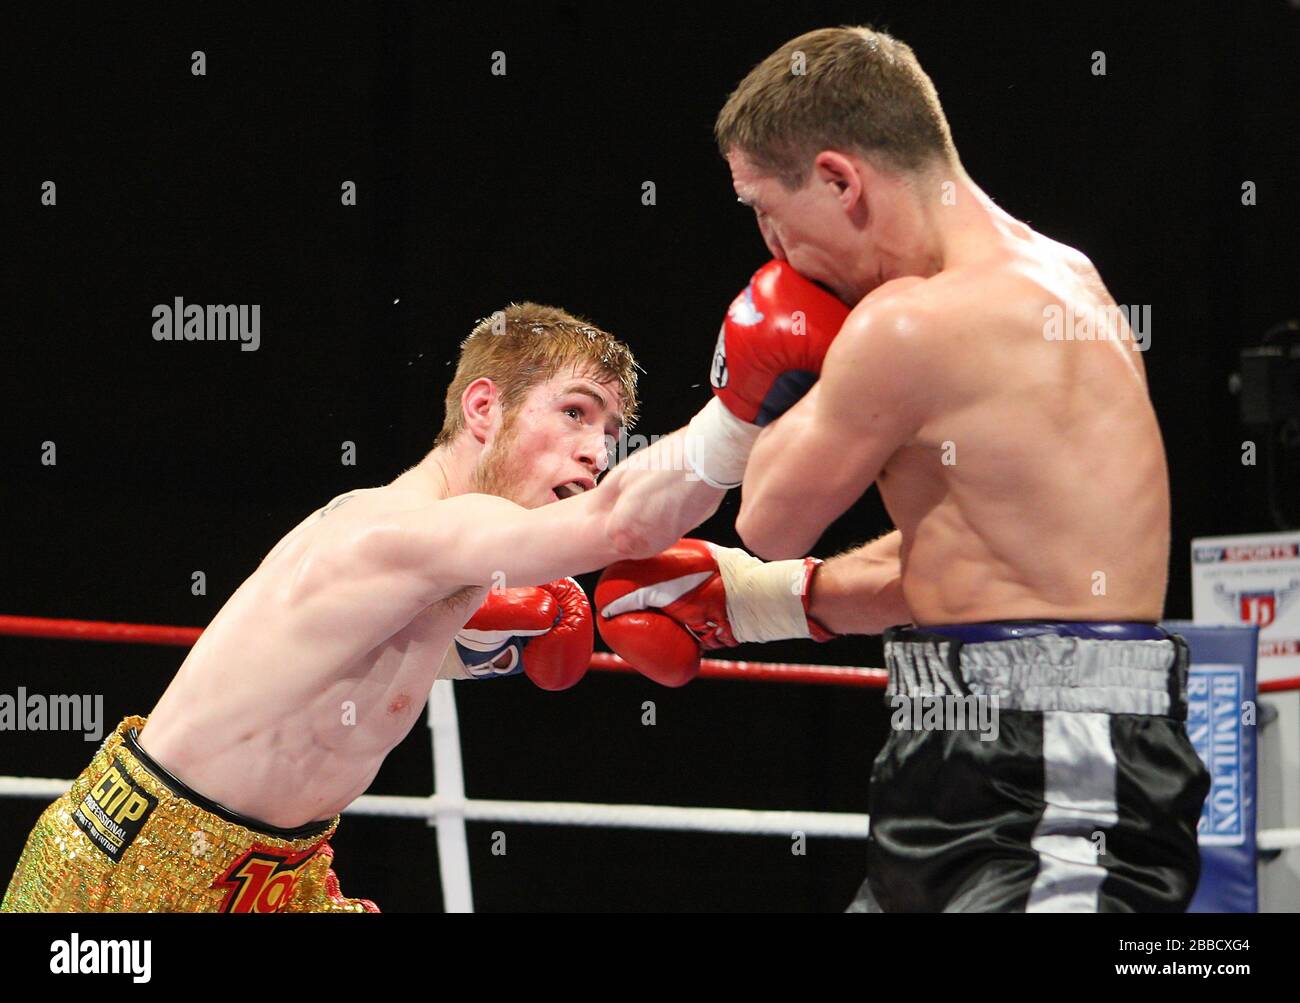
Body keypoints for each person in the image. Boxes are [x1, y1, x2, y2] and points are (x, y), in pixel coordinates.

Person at [596, 26, 1210, 912]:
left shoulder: (909, 325)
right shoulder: (1072, 283)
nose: (770, 248)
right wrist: (767, 604)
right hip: (959, 748)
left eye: (766, 209)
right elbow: (984, 559)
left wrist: (747, 393)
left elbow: (768, 521)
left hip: (1059, 767)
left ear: (842, 181)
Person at [2, 302, 739, 913]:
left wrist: (492, 647)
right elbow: (620, 524)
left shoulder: (448, 568)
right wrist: (748, 409)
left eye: (609, 433)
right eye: (576, 413)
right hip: (123, 884)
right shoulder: (398, 531)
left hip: (275, 879)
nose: (597, 452)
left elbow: (354, 674)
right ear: (484, 406)